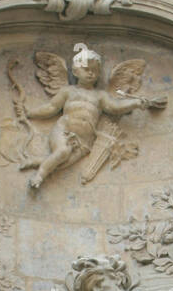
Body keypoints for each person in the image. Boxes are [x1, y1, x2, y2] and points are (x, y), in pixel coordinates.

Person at [26, 44, 161, 191]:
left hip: (85, 140)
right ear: (76, 71)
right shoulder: (68, 91)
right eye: (86, 69)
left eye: (95, 70)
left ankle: (36, 162)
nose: (91, 73)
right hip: (63, 129)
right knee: (63, 152)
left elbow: (114, 107)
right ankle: (39, 176)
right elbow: (51, 107)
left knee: (64, 162)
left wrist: (135, 103)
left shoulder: (100, 95)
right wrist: (30, 113)